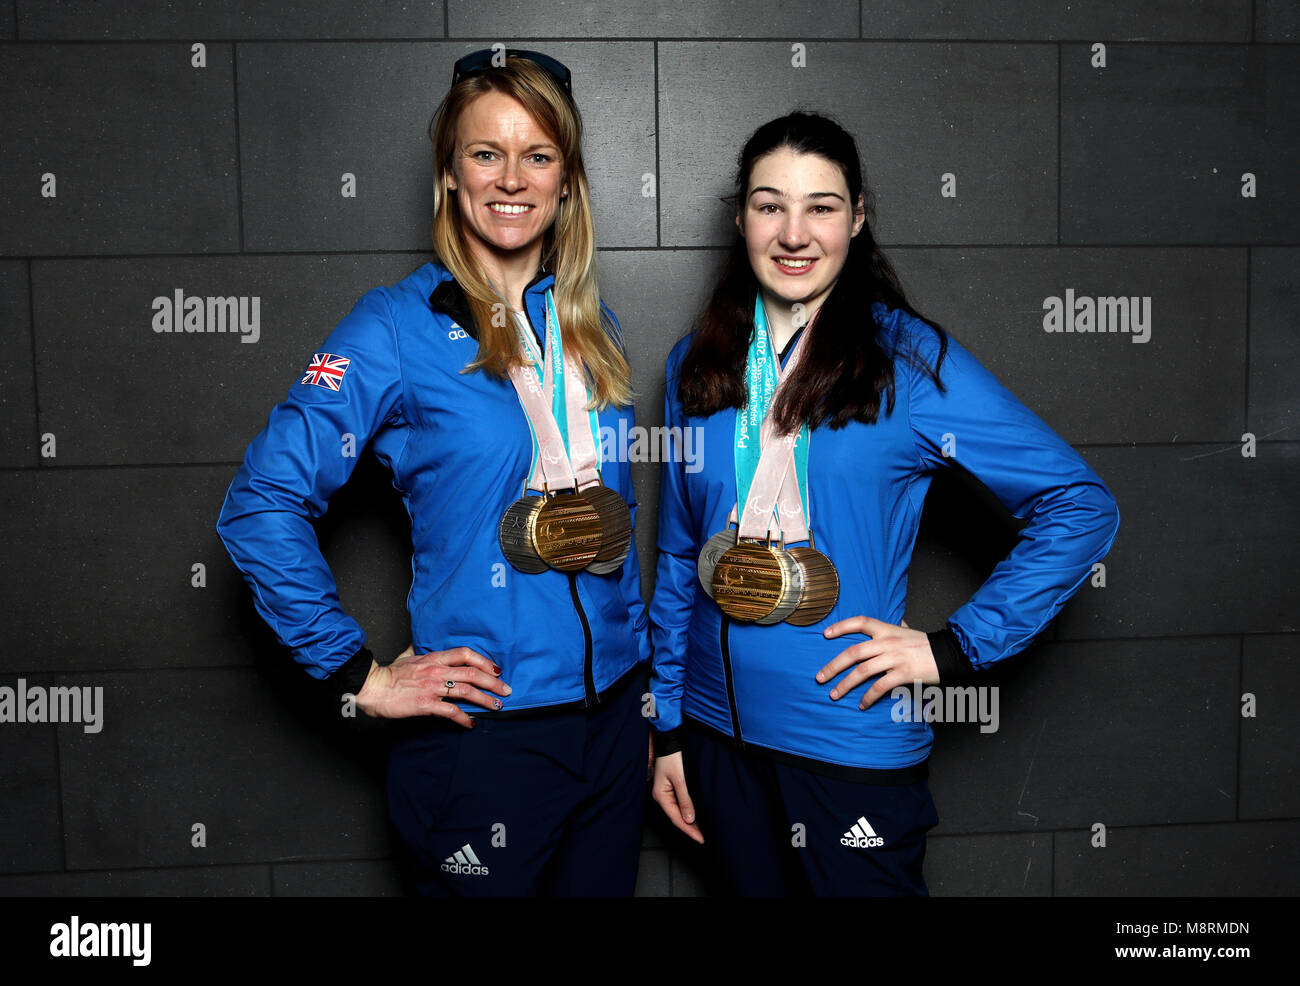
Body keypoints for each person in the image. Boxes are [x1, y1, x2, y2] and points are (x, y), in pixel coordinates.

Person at [647, 111, 1121, 896]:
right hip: (712, 740)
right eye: (770, 205)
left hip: (846, 745)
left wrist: (951, 649)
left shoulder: (911, 363)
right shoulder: (696, 364)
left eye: (821, 207)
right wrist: (666, 728)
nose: (794, 233)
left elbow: (1079, 505)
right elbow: (675, 557)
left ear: (857, 217)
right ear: (740, 217)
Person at [217, 50, 651, 896]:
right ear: (450, 175)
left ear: (568, 178)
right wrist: (359, 675)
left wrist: (640, 700)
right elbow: (260, 503)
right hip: (483, 740)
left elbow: (614, 528)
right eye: (485, 153)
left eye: (539, 154)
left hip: (609, 736)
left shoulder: (596, 330)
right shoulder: (392, 327)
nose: (512, 179)